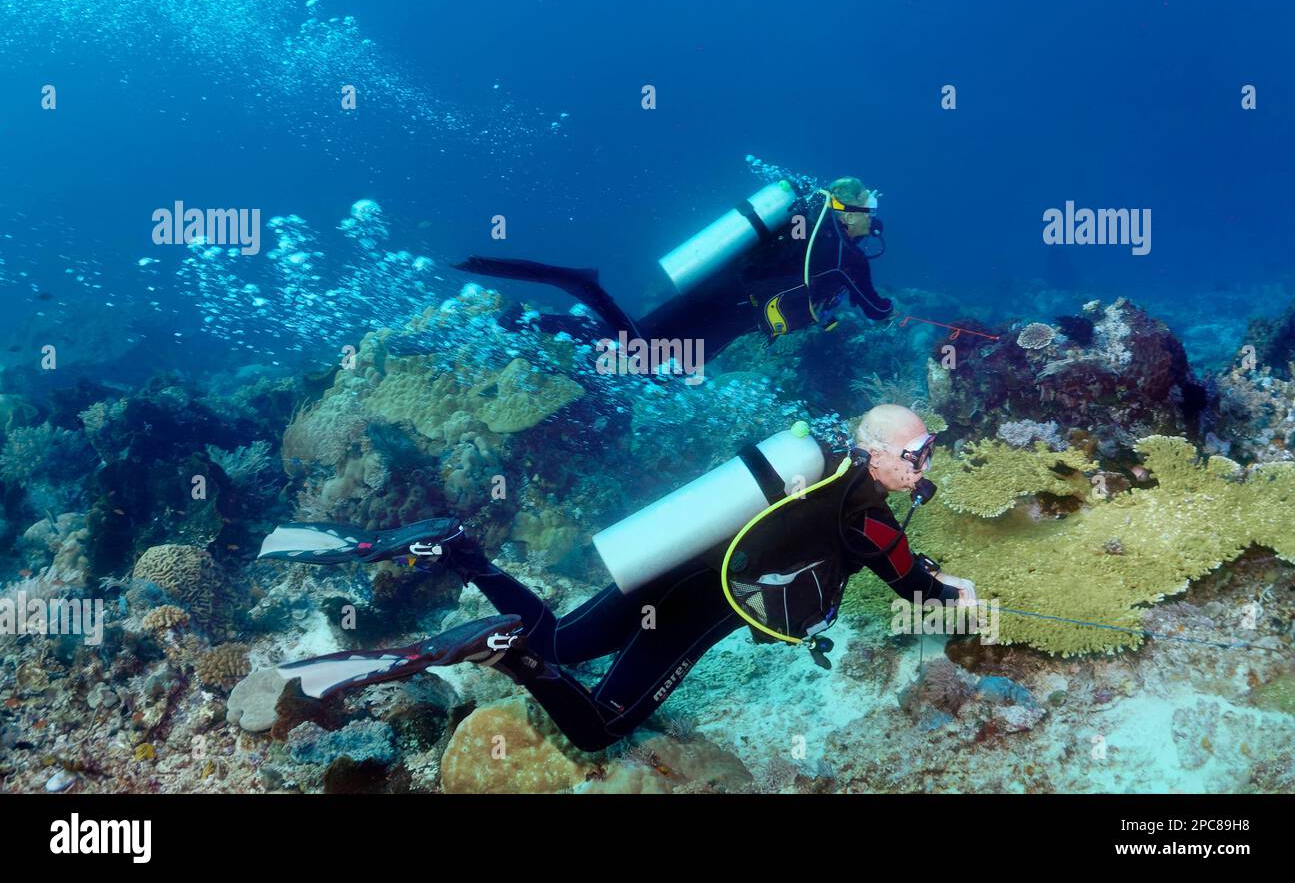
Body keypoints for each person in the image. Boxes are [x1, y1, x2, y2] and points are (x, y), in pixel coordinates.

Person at [259, 405, 975, 753]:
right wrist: (960, 598)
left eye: (928, 450)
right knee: (601, 728)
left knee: (567, 641)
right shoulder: (871, 517)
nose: (924, 464)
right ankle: (504, 650)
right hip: (702, 605)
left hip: (670, 566)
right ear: (876, 448)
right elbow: (920, 596)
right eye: (915, 452)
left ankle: (459, 549)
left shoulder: (813, 469)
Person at [452, 177, 895, 365]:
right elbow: (875, 310)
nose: (871, 219)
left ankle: (528, 322)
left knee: (641, 342)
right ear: (849, 208)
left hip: (717, 283)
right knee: (659, 358)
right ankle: (572, 298)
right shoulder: (846, 254)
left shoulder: (803, 214)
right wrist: (890, 308)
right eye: (868, 210)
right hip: (738, 310)